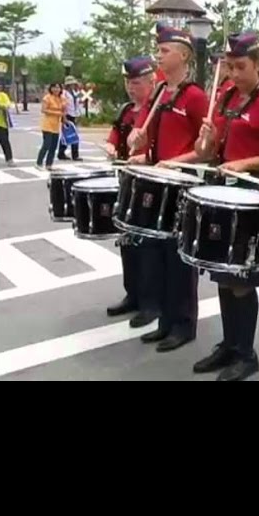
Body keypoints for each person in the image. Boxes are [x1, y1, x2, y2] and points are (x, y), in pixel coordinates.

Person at [189, 32, 259, 382]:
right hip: (225, 192)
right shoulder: (226, 97)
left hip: (252, 197)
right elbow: (207, 151)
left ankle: (246, 354)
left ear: (258, 64)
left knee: (241, 278)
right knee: (223, 275)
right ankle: (230, 344)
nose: (232, 73)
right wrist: (206, 139)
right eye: (229, 66)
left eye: (240, 66)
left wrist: (246, 163)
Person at [125, 23, 209, 351]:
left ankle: (184, 324)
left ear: (184, 54)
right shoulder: (160, 93)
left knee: (178, 257)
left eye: (164, 51)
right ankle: (165, 320)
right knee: (157, 254)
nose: (158, 55)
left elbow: (207, 150)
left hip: (182, 184)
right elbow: (144, 134)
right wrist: (139, 145)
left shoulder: (195, 96)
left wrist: (178, 161)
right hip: (158, 183)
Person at [105, 56, 158, 318]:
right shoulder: (127, 110)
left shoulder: (155, 109)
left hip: (149, 182)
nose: (131, 87)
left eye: (136, 82)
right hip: (126, 179)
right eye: (128, 82)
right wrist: (111, 146)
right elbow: (115, 133)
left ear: (151, 81)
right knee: (126, 240)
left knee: (146, 244)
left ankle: (150, 301)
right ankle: (132, 293)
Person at [37, 82, 66, 170]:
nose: (56, 89)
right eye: (54, 87)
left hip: (56, 126)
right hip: (47, 125)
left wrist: (64, 119)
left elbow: (63, 111)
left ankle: (49, 164)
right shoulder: (47, 98)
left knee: (53, 147)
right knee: (46, 145)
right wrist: (57, 113)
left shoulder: (62, 99)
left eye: (58, 88)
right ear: (51, 88)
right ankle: (39, 163)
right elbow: (43, 110)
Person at [58, 76, 82, 162]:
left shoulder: (75, 93)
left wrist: (79, 115)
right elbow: (62, 106)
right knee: (67, 135)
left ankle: (74, 154)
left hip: (74, 114)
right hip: (67, 115)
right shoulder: (63, 93)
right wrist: (63, 117)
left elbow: (78, 104)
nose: (72, 85)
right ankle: (63, 153)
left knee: (74, 135)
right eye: (70, 84)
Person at [0, 84, 14, 165]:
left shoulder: (3, 95)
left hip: (1, 123)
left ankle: (9, 159)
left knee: (5, 141)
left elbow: (8, 105)